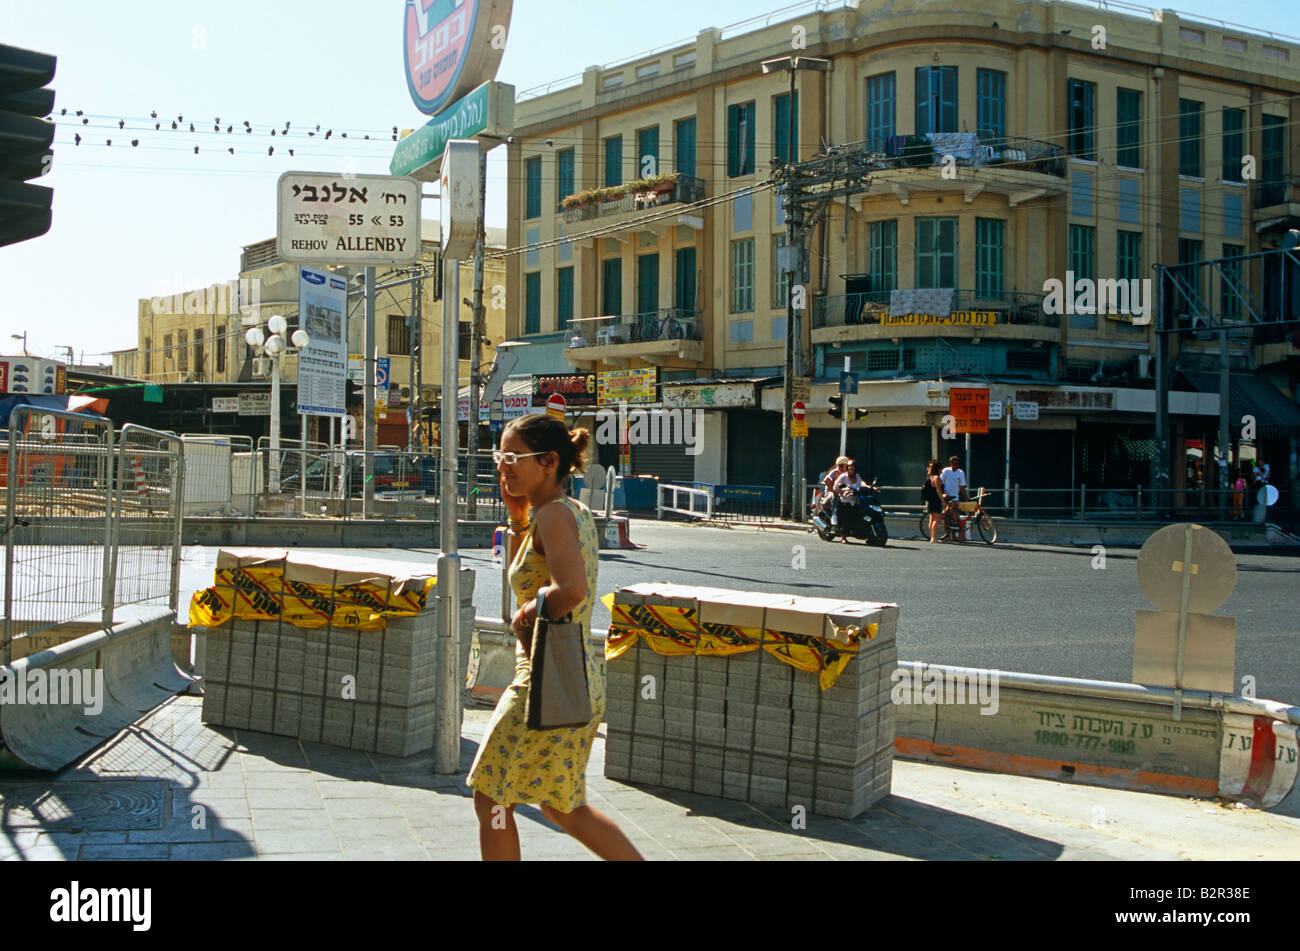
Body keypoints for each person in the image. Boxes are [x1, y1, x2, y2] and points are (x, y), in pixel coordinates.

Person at [468, 413, 643, 861]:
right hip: (569, 676)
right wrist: (516, 516)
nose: (502, 466)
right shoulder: (562, 512)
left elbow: (572, 589)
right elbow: (531, 572)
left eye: (512, 457)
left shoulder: (554, 516)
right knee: (561, 805)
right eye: (499, 455)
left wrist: (528, 611)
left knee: (493, 796)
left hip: (545, 681)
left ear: (547, 461)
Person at [832, 460, 867, 542]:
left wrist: (869, 487)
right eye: (849, 469)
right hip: (845, 502)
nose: (851, 471)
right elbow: (835, 488)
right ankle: (843, 537)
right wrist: (843, 492)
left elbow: (862, 484)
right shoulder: (843, 477)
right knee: (846, 517)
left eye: (853, 470)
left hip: (854, 501)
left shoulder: (857, 477)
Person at [923, 459, 948, 543]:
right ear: (938, 469)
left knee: (932, 518)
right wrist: (943, 500)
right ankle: (933, 537)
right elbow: (938, 490)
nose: (941, 470)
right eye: (941, 469)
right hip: (936, 500)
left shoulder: (930, 477)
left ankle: (932, 536)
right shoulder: (937, 478)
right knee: (936, 519)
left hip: (930, 500)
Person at [820, 456, 850, 527]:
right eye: (841, 465)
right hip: (831, 492)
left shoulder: (848, 473)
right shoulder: (834, 472)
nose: (842, 468)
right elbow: (826, 480)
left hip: (843, 492)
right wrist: (833, 490)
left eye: (844, 465)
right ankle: (834, 515)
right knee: (835, 496)